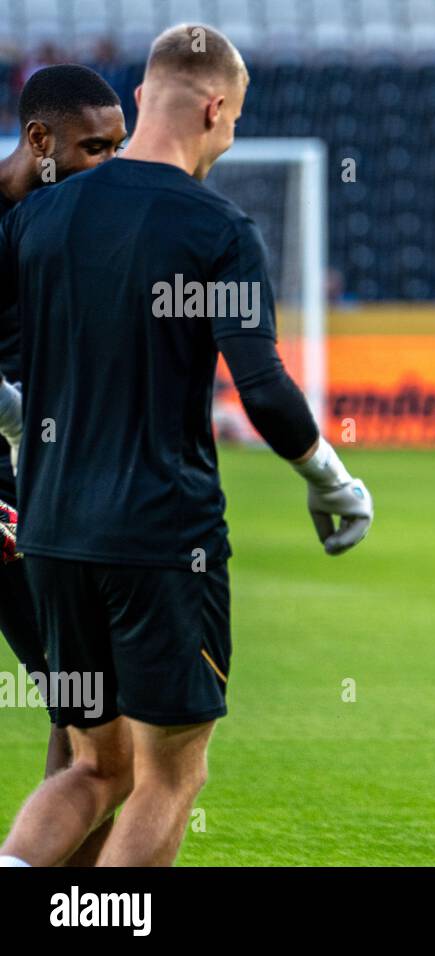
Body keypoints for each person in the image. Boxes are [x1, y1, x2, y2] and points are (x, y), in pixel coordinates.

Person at [0, 24, 373, 868]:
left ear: (139, 101)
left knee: (95, 765)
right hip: (162, 539)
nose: (231, 135)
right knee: (171, 775)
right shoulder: (218, 229)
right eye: (234, 120)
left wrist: (23, 420)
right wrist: (333, 482)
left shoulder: (39, 216)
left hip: (50, 535)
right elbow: (266, 387)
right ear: (215, 109)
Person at [0, 63, 127, 866]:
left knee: (87, 712)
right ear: (39, 140)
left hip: (50, 490)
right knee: (105, 730)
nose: (109, 166)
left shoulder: (74, 230)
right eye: (94, 148)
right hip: (12, 494)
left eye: (120, 148)